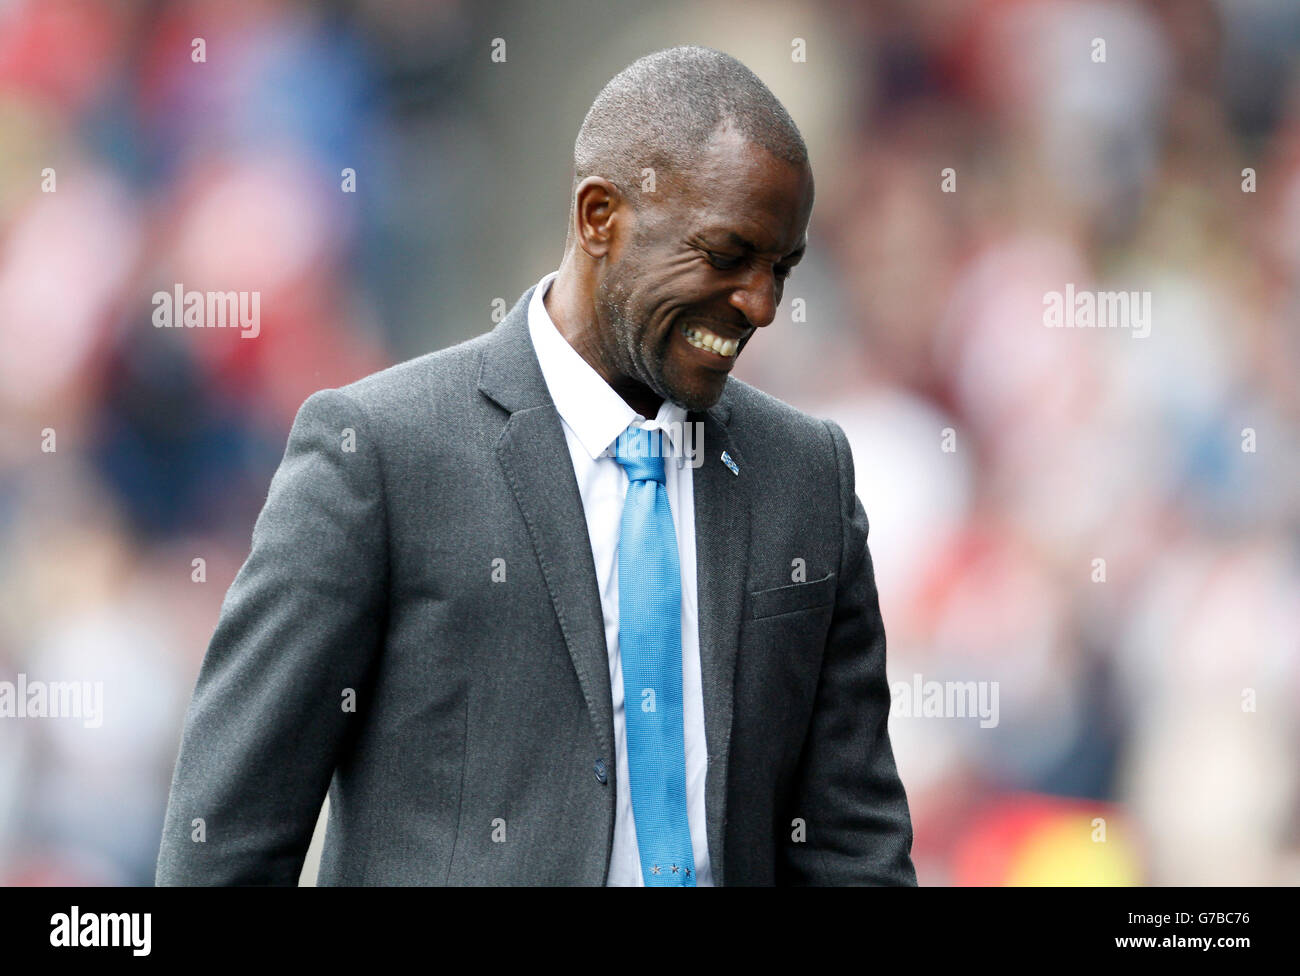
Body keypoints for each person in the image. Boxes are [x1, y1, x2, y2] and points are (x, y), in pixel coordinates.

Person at [156, 45, 916, 886]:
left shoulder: (807, 475)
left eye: (781, 268)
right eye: (727, 255)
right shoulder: (378, 455)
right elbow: (223, 842)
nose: (761, 304)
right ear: (600, 216)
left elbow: (855, 848)